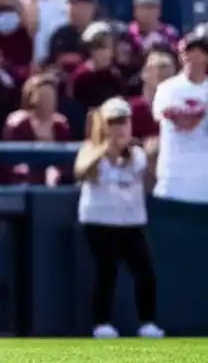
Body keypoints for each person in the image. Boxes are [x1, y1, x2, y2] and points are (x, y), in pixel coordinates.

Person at [74, 98, 163, 339]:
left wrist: (152, 155)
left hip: (131, 222)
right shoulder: (91, 151)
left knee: (145, 272)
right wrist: (105, 149)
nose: (120, 127)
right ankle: (101, 323)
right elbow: (81, 171)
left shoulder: (138, 155)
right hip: (99, 222)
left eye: (124, 121)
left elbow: (150, 180)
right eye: (113, 122)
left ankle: (147, 322)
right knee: (106, 272)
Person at [151, 25, 208, 204]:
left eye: (200, 51)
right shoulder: (167, 89)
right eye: (189, 51)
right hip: (172, 180)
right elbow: (182, 122)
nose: (194, 56)